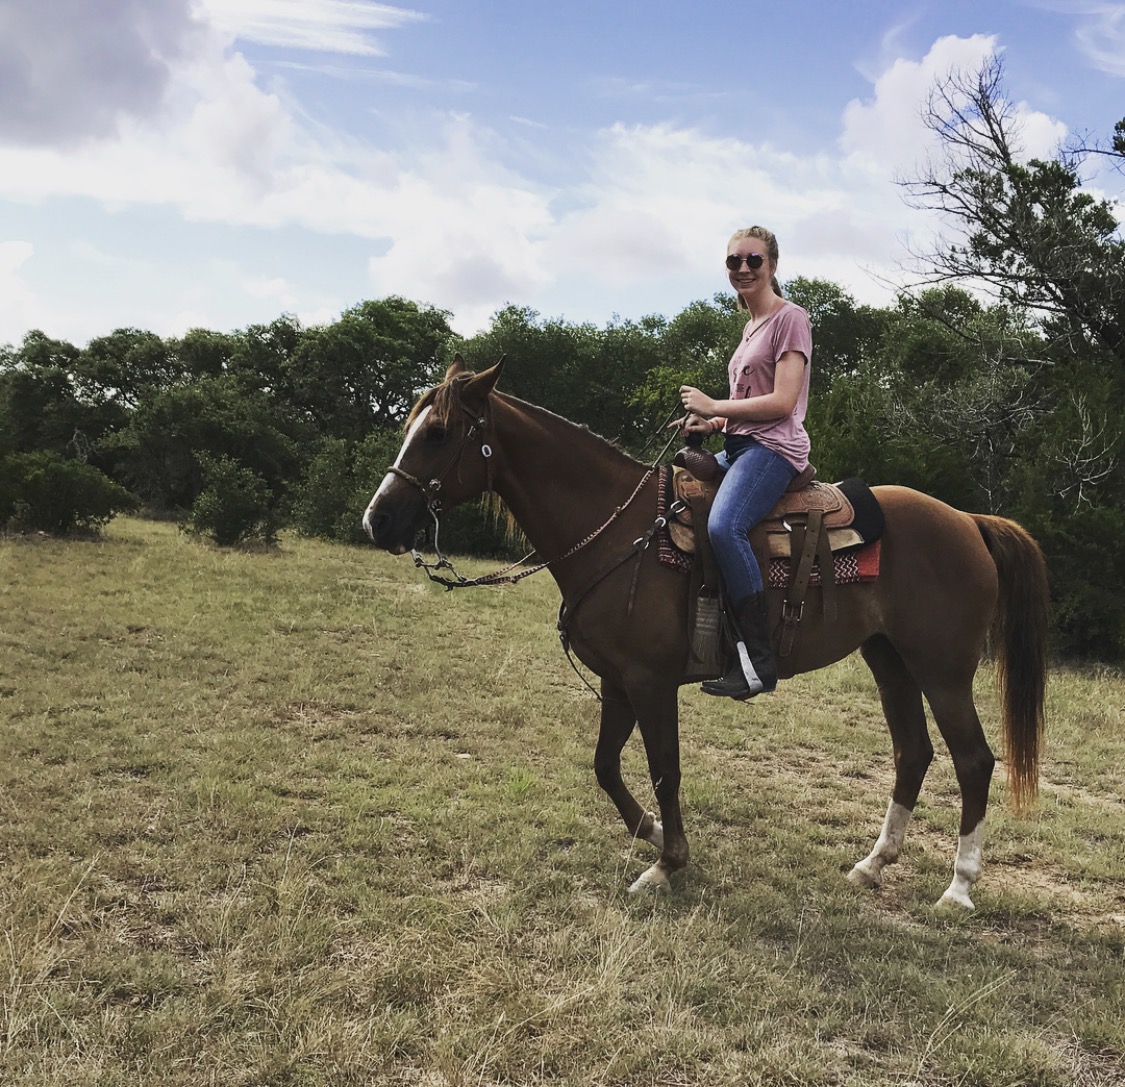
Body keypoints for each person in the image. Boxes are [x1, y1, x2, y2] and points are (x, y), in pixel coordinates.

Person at [678, 226, 813, 700]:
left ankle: (757, 662)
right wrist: (708, 425)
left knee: (724, 526)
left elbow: (782, 403)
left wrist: (714, 405)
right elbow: (745, 406)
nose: (742, 269)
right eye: (733, 261)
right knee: (671, 494)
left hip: (775, 449)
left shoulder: (790, 319)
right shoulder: (749, 328)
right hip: (739, 446)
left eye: (752, 260)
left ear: (772, 264)